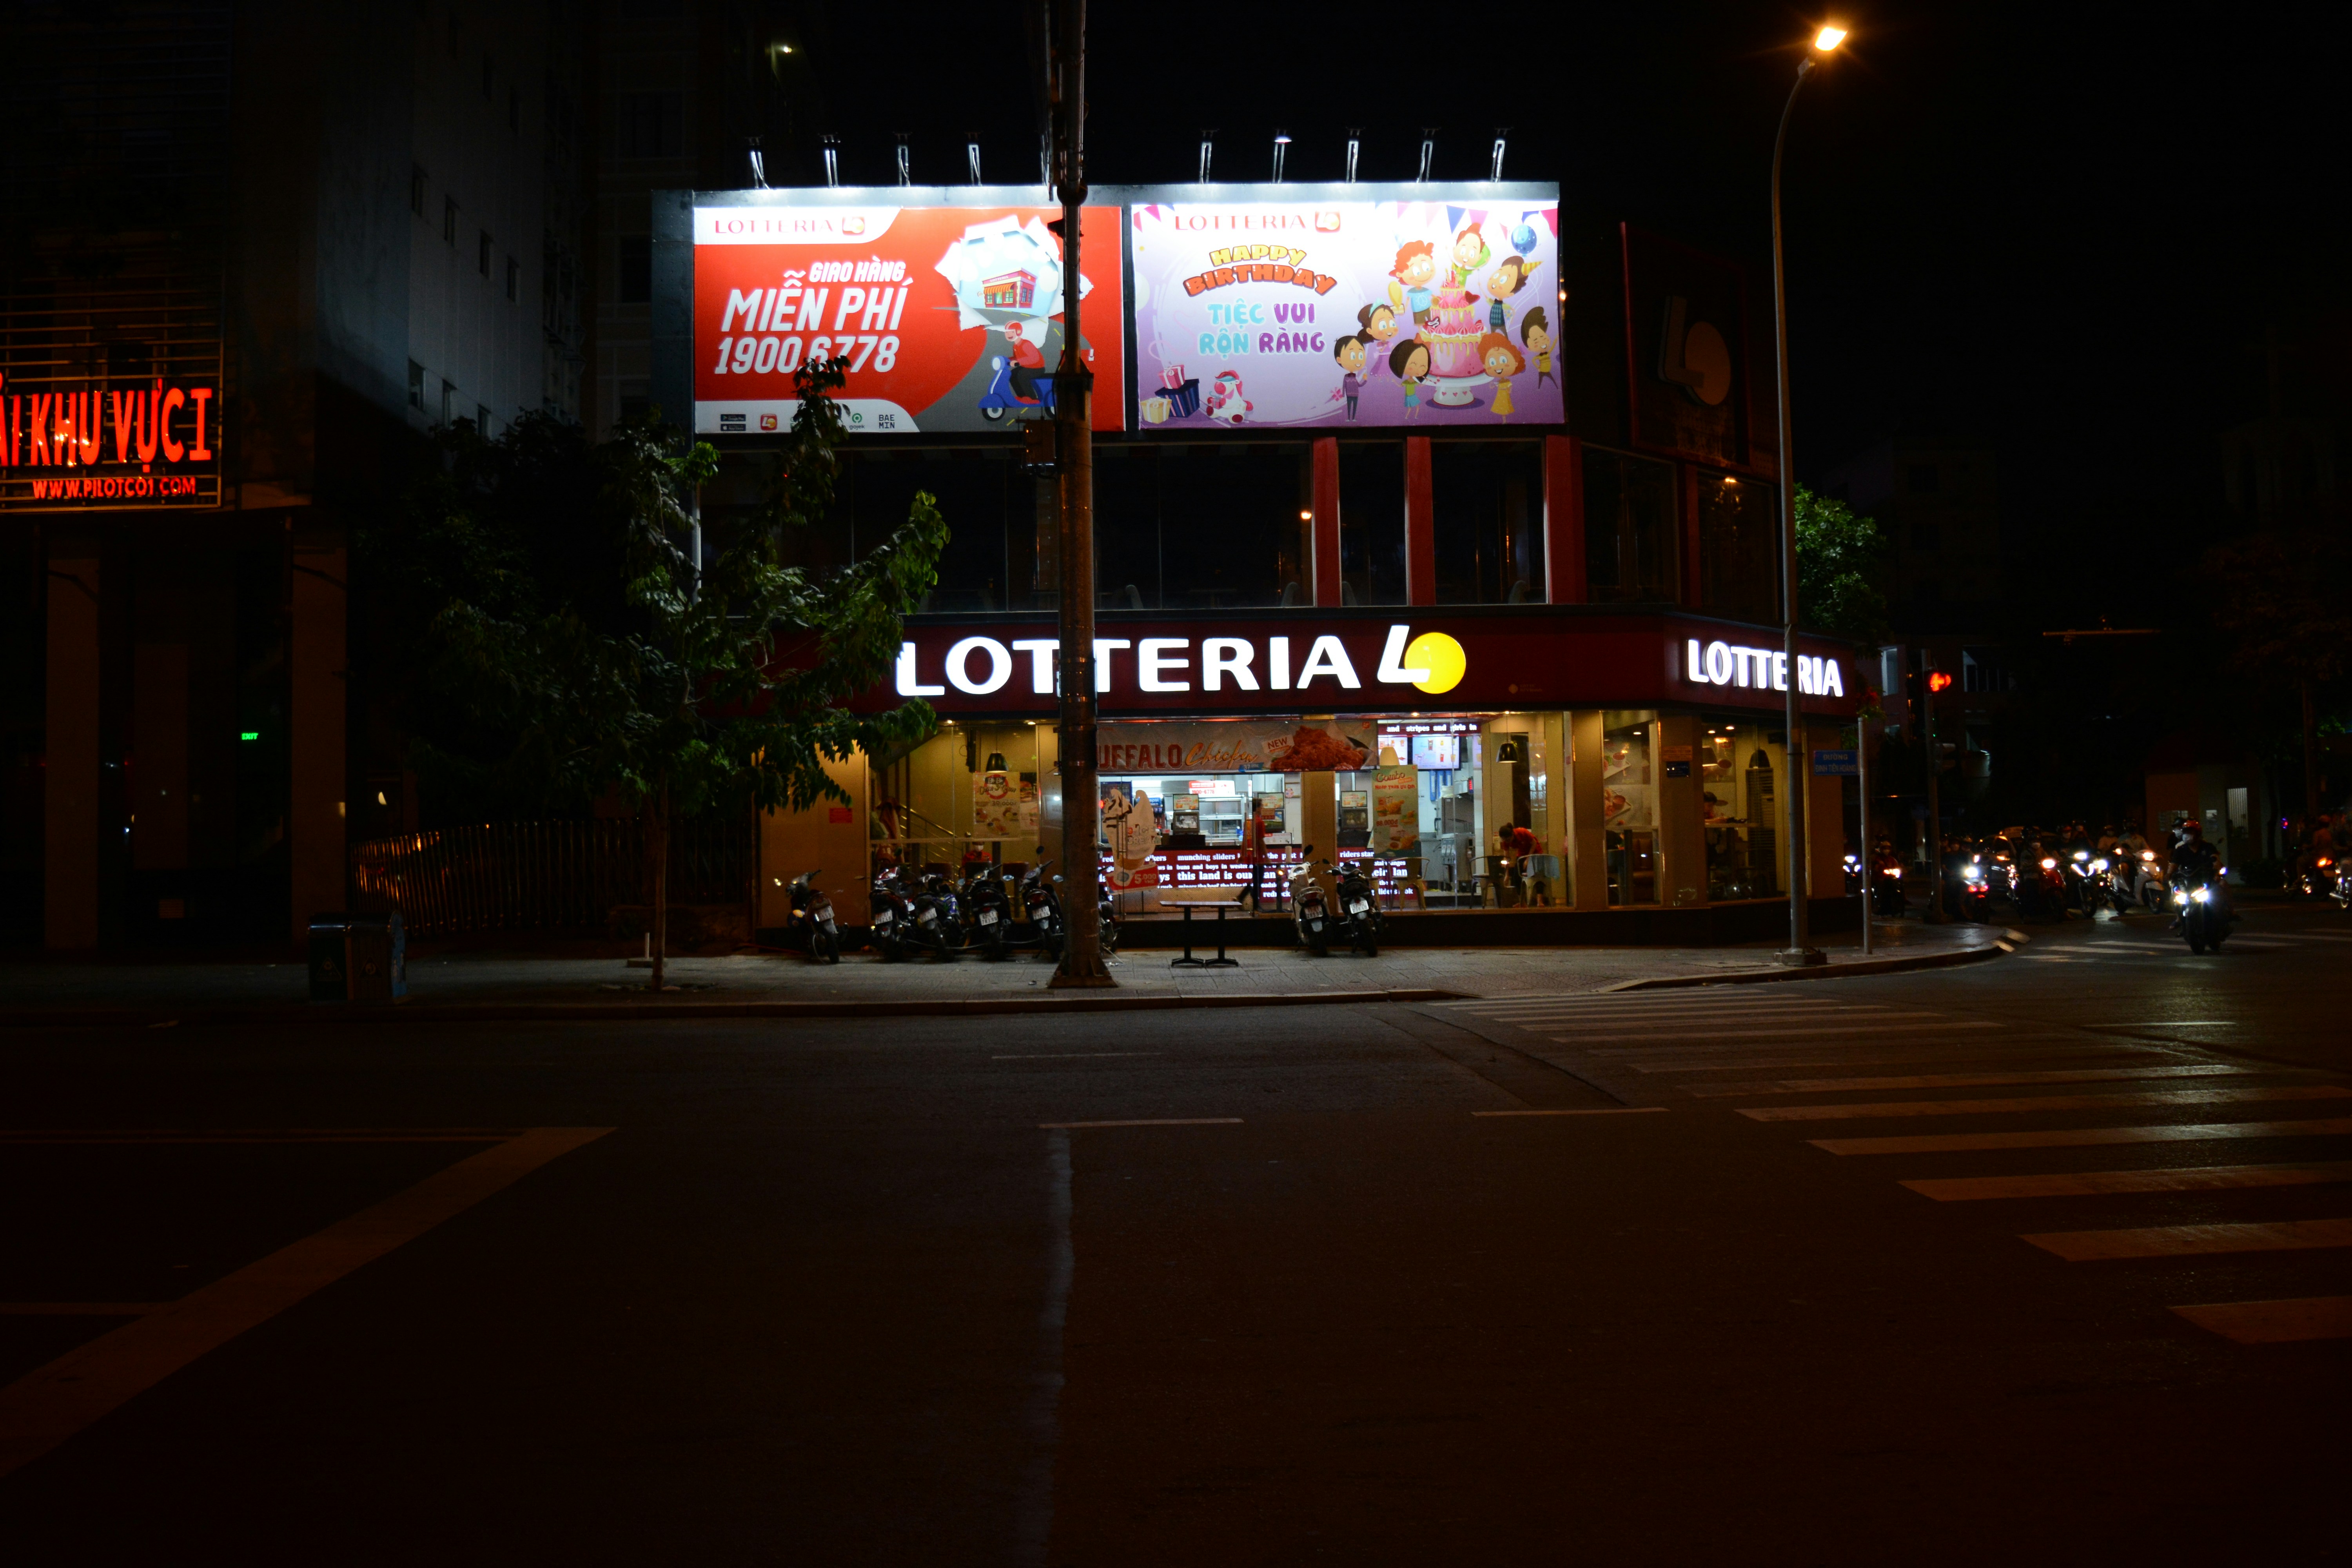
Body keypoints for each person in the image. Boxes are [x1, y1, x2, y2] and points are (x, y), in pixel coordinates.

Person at [1002, 320, 1045, 403]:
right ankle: (1022, 396)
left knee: (1022, 376)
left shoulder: (1026, 344)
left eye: (1011, 332)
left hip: (1037, 368)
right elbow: (1016, 357)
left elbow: (1034, 358)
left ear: (1018, 332)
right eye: (1007, 332)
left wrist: (1019, 362)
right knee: (1012, 375)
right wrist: (1007, 360)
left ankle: (1033, 398)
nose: (1008, 334)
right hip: (1026, 367)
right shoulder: (1016, 346)